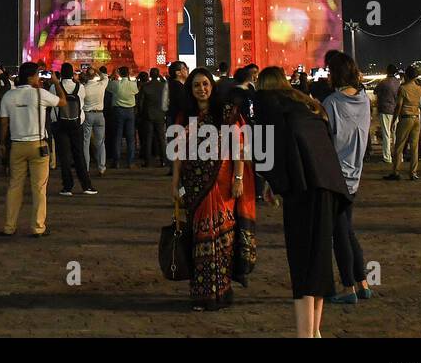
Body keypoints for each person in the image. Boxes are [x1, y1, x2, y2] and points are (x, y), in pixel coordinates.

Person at [256, 66, 349, 337]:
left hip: (304, 188)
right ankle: (314, 332)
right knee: (318, 261)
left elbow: (266, 143)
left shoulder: (266, 100)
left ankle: (304, 335)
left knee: (301, 263)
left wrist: (271, 183)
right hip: (330, 186)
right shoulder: (305, 103)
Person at [169, 67, 256, 311]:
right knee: (200, 238)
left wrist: (238, 178)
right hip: (195, 185)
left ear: (212, 86)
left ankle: (223, 291)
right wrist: (175, 183)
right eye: (196, 85)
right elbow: (178, 152)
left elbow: (239, 147)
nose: (201, 89)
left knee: (223, 238)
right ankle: (203, 293)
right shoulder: (184, 116)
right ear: (191, 89)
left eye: (205, 84)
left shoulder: (226, 113)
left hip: (223, 181)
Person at [320, 53, 374, 303]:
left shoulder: (331, 103)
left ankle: (348, 289)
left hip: (335, 178)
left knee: (339, 234)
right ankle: (363, 282)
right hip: (355, 175)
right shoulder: (364, 100)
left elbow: (327, 140)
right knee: (347, 230)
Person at [0, 61, 67, 236]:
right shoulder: (40, 94)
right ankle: (37, 227)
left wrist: (2, 144)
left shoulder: (8, 96)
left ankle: (9, 226)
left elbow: (4, 123)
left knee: (14, 187)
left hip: (17, 145)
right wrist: (57, 83)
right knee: (39, 188)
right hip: (38, 146)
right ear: (31, 77)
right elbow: (63, 102)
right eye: (37, 74)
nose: (38, 78)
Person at [51, 63, 96, 196]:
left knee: (64, 157)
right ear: (72, 74)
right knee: (79, 155)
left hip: (60, 125)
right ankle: (86, 185)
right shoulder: (80, 87)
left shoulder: (54, 87)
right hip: (76, 125)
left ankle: (67, 187)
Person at [384, 66, 421, 181]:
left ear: (406, 75)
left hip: (406, 118)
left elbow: (399, 106)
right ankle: (413, 172)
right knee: (414, 148)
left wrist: (393, 121)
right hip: (416, 118)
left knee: (399, 146)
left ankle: (395, 172)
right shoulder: (420, 88)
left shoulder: (403, 88)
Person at [80, 65, 109, 175]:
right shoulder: (101, 85)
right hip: (100, 115)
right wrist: (97, 70)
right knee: (100, 142)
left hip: (87, 115)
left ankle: (86, 168)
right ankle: (101, 167)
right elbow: (105, 76)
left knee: (85, 142)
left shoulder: (84, 88)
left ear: (87, 76)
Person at [109, 66, 139, 168]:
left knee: (117, 137)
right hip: (130, 111)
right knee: (130, 138)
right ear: (128, 73)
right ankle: (130, 162)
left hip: (118, 111)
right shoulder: (133, 84)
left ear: (119, 73)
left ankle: (116, 162)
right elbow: (136, 92)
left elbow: (108, 86)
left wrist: (113, 75)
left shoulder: (115, 84)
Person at [139, 68, 169, 167]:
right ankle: (163, 160)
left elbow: (140, 103)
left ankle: (147, 161)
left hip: (148, 115)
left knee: (148, 139)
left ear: (150, 75)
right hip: (160, 114)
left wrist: (141, 114)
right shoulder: (163, 86)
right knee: (161, 138)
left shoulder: (145, 86)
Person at [373, 65, 400, 165]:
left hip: (385, 110)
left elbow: (375, 91)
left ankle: (387, 157)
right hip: (396, 110)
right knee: (396, 134)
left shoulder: (383, 82)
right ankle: (398, 156)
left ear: (387, 71)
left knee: (386, 134)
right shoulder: (398, 82)